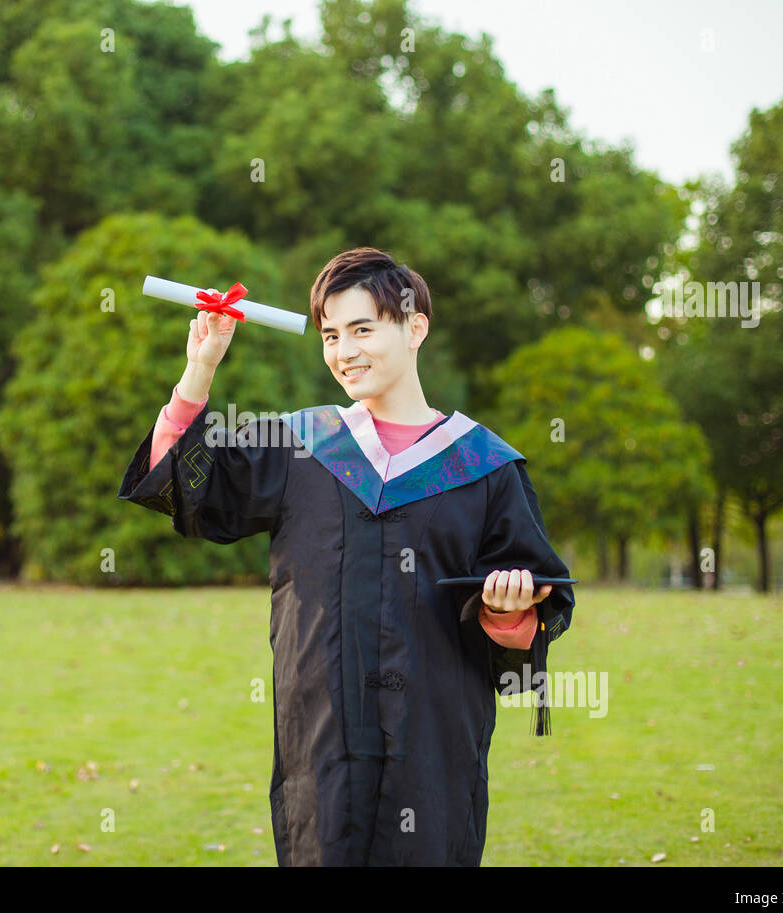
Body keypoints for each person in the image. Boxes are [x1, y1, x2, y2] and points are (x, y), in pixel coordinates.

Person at [117, 247, 575, 866]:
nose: (344, 351)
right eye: (331, 335)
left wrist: (505, 612)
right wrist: (200, 368)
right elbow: (184, 488)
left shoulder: (484, 467)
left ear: (415, 327)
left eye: (363, 329)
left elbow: (531, 612)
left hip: (434, 744)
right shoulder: (304, 447)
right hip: (320, 742)